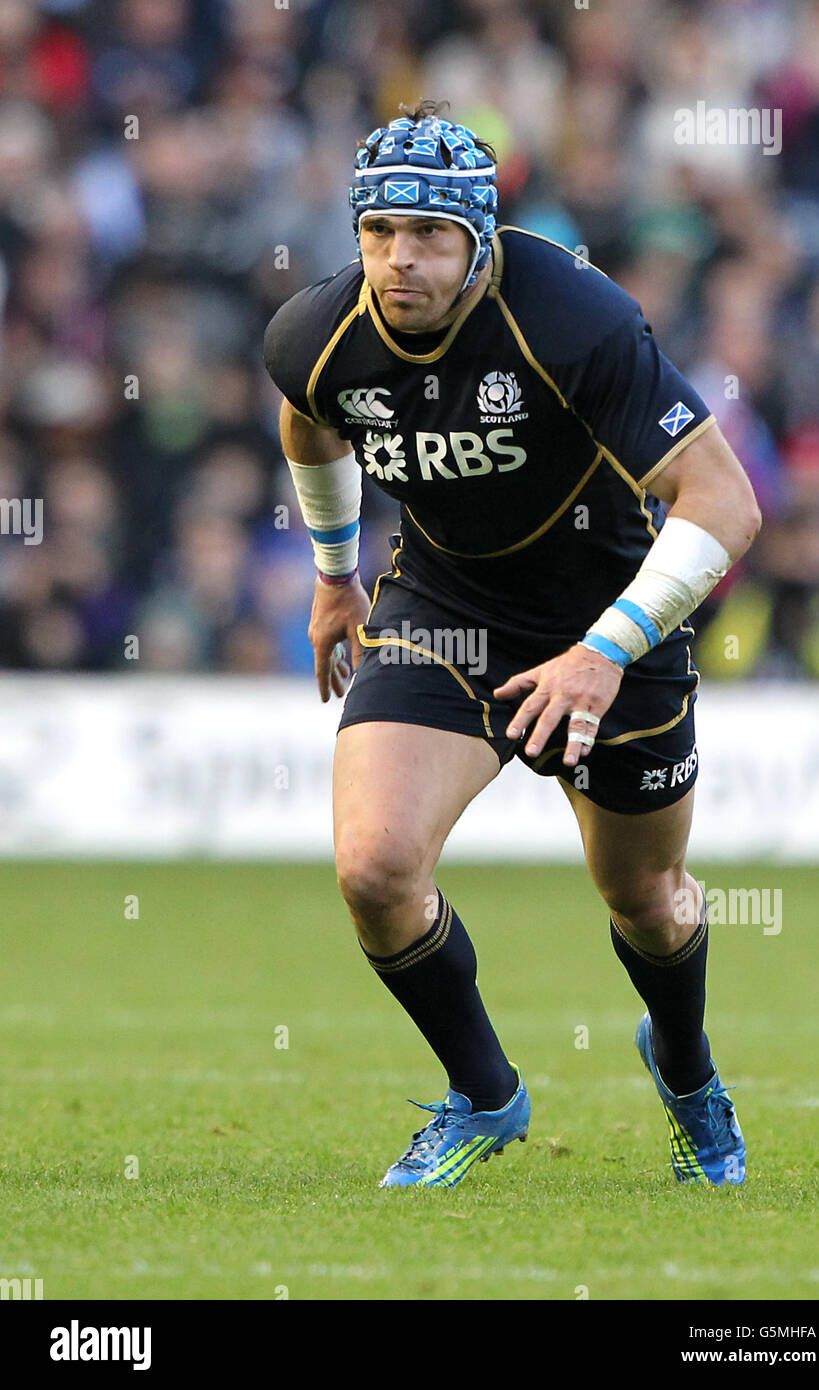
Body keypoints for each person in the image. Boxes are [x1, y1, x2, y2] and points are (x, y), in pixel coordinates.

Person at [263, 101, 761, 1189]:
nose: (400, 260)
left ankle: (684, 1070)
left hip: (611, 621)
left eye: (430, 236)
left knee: (648, 897)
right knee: (374, 868)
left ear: (481, 242)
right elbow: (311, 417)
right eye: (380, 232)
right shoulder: (316, 333)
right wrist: (336, 571)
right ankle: (483, 1094)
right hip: (443, 611)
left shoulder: (577, 319)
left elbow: (725, 504)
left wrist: (604, 648)